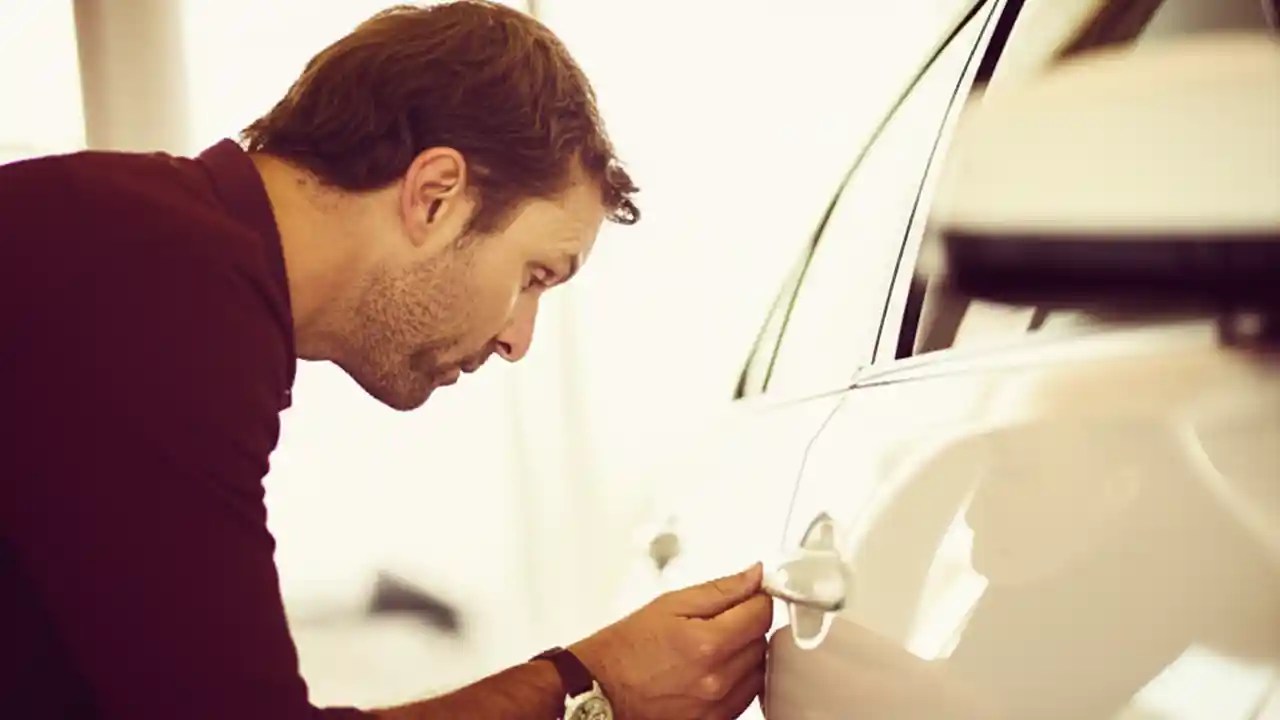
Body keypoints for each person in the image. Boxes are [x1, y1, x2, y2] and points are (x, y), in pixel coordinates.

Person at [0, 2, 772, 719]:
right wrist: (592, 686)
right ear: (435, 196)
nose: (518, 339)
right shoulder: (165, 299)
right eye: (534, 276)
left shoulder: (146, 253)